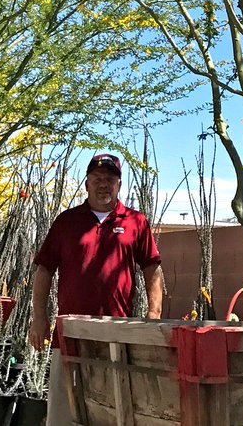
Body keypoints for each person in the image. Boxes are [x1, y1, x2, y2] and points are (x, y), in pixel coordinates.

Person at [29, 152, 163, 425]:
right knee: (62, 414)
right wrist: (39, 318)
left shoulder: (135, 222)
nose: (104, 184)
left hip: (116, 336)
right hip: (69, 335)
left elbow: (152, 268)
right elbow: (44, 270)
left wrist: (154, 314)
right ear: (87, 183)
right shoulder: (66, 222)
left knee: (114, 413)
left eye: (110, 179)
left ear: (119, 185)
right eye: (98, 178)